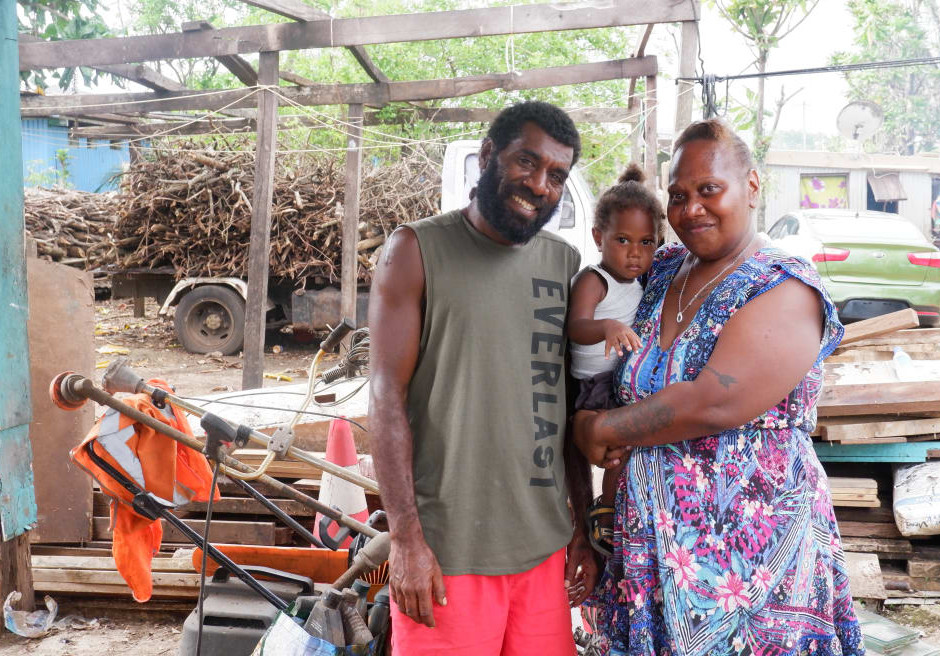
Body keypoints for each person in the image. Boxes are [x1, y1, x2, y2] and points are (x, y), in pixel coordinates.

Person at [573, 118, 865, 655]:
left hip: (749, 555)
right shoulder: (661, 273)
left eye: (709, 190)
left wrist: (602, 427)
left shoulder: (783, 283)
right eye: (678, 195)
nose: (690, 209)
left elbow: (714, 400)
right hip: (651, 549)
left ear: (752, 186)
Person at [367, 100, 597, 656]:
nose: (540, 184)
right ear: (489, 155)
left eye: (556, 176)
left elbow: (564, 405)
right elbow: (385, 397)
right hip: (448, 555)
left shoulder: (564, 264)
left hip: (542, 551)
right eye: (527, 162)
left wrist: (582, 530)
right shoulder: (416, 251)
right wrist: (405, 541)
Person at [566, 164, 663, 556]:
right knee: (618, 451)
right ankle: (604, 515)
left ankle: (613, 509)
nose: (636, 253)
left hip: (619, 379)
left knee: (633, 446)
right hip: (595, 384)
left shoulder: (640, 282)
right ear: (598, 237)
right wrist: (605, 326)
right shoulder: (595, 279)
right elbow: (576, 326)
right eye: (623, 240)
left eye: (647, 242)